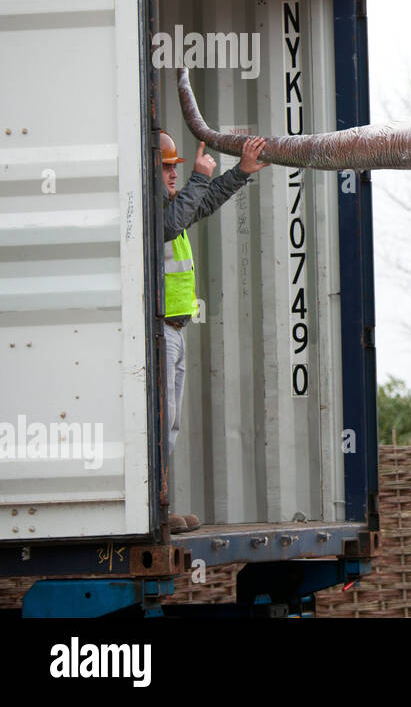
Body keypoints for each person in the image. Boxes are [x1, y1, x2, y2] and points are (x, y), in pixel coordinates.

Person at [160, 130, 268, 532]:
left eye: (176, 168)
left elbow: (199, 205)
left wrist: (239, 172)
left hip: (174, 330)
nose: (174, 174)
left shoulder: (175, 203)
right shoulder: (156, 209)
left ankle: (159, 508)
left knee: (169, 425)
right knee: (161, 423)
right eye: (167, 167)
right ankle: (154, 511)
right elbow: (172, 224)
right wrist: (200, 177)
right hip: (159, 333)